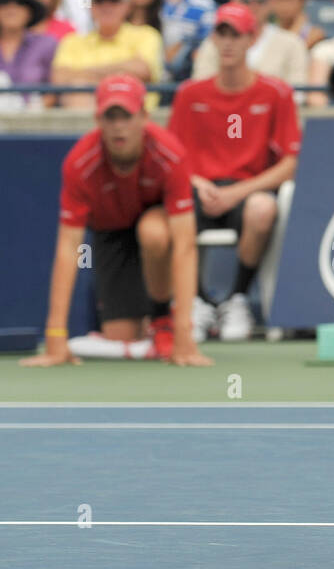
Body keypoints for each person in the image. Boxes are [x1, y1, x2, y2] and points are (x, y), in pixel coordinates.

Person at [23, 74, 212, 367]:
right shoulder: (79, 164)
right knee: (122, 336)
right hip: (112, 231)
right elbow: (68, 249)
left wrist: (184, 334)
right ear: (98, 120)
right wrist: (55, 335)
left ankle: (164, 318)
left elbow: (185, 245)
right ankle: (144, 328)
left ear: (145, 117)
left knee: (153, 232)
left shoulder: (169, 154)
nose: (118, 127)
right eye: (110, 117)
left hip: (157, 226)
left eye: (126, 116)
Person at [169, 1, 302, 342]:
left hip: (246, 192)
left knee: (262, 208)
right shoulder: (189, 95)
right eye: (222, 33)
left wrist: (235, 193)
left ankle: (236, 299)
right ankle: (196, 302)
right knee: (167, 210)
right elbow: (171, 157)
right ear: (213, 39)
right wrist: (198, 184)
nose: (228, 42)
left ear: (251, 39)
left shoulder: (276, 92)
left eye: (237, 35)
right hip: (198, 191)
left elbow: (290, 163)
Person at [52, 0, 165, 109]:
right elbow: (59, 78)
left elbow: (143, 70)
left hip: (135, 117)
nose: (107, 7)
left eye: (114, 0)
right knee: (79, 91)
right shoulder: (72, 41)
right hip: (85, 113)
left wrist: (84, 75)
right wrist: (121, 73)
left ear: (127, 6)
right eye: (100, 1)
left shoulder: (147, 35)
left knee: (81, 87)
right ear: (91, 7)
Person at [191, 0, 308, 86]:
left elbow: (297, 92)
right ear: (234, 2)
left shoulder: (292, 43)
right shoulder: (214, 42)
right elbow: (201, 86)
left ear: (271, 3)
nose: (254, 5)